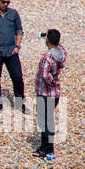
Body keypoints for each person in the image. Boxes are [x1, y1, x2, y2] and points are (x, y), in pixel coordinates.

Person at [33, 28, 64, 158]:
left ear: (47, 40)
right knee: (48, 120)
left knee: (44, 121)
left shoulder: (47, 57)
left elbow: (45, 75)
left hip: (45, 93)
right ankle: (46, 146)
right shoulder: (61, 53)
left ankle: (46, 148)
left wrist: (53, 83)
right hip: (55, 94)